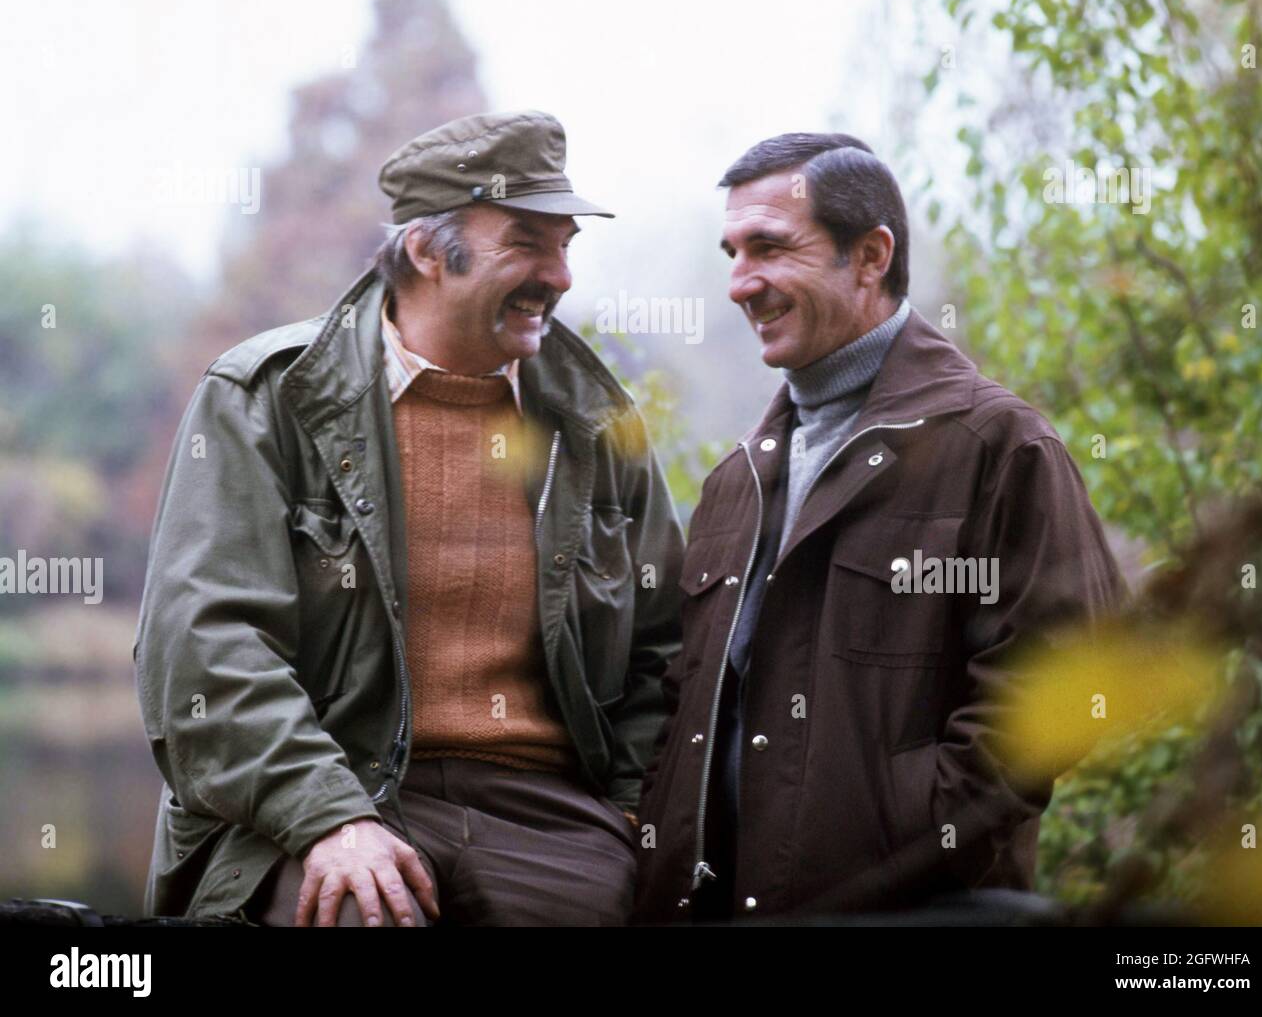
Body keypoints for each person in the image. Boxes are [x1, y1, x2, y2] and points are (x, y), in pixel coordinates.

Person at [134, 109, 684, 926]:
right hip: (330, 795)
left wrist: (632, 814)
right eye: (529, 241)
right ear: (427, 250)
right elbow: (204, 651)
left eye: (567, 244)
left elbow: (666, 648)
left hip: (549, 818)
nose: (561, 275)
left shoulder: (598, 427)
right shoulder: (263, 399)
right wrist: (328, 815)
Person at [631, 131, 1128, 923]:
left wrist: (906, 846)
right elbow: (682, 700)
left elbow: (1067, 689)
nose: (738, 283)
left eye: (768, 247)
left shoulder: (998, 446)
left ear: (869, 256)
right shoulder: (737, 482)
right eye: (731, 251)